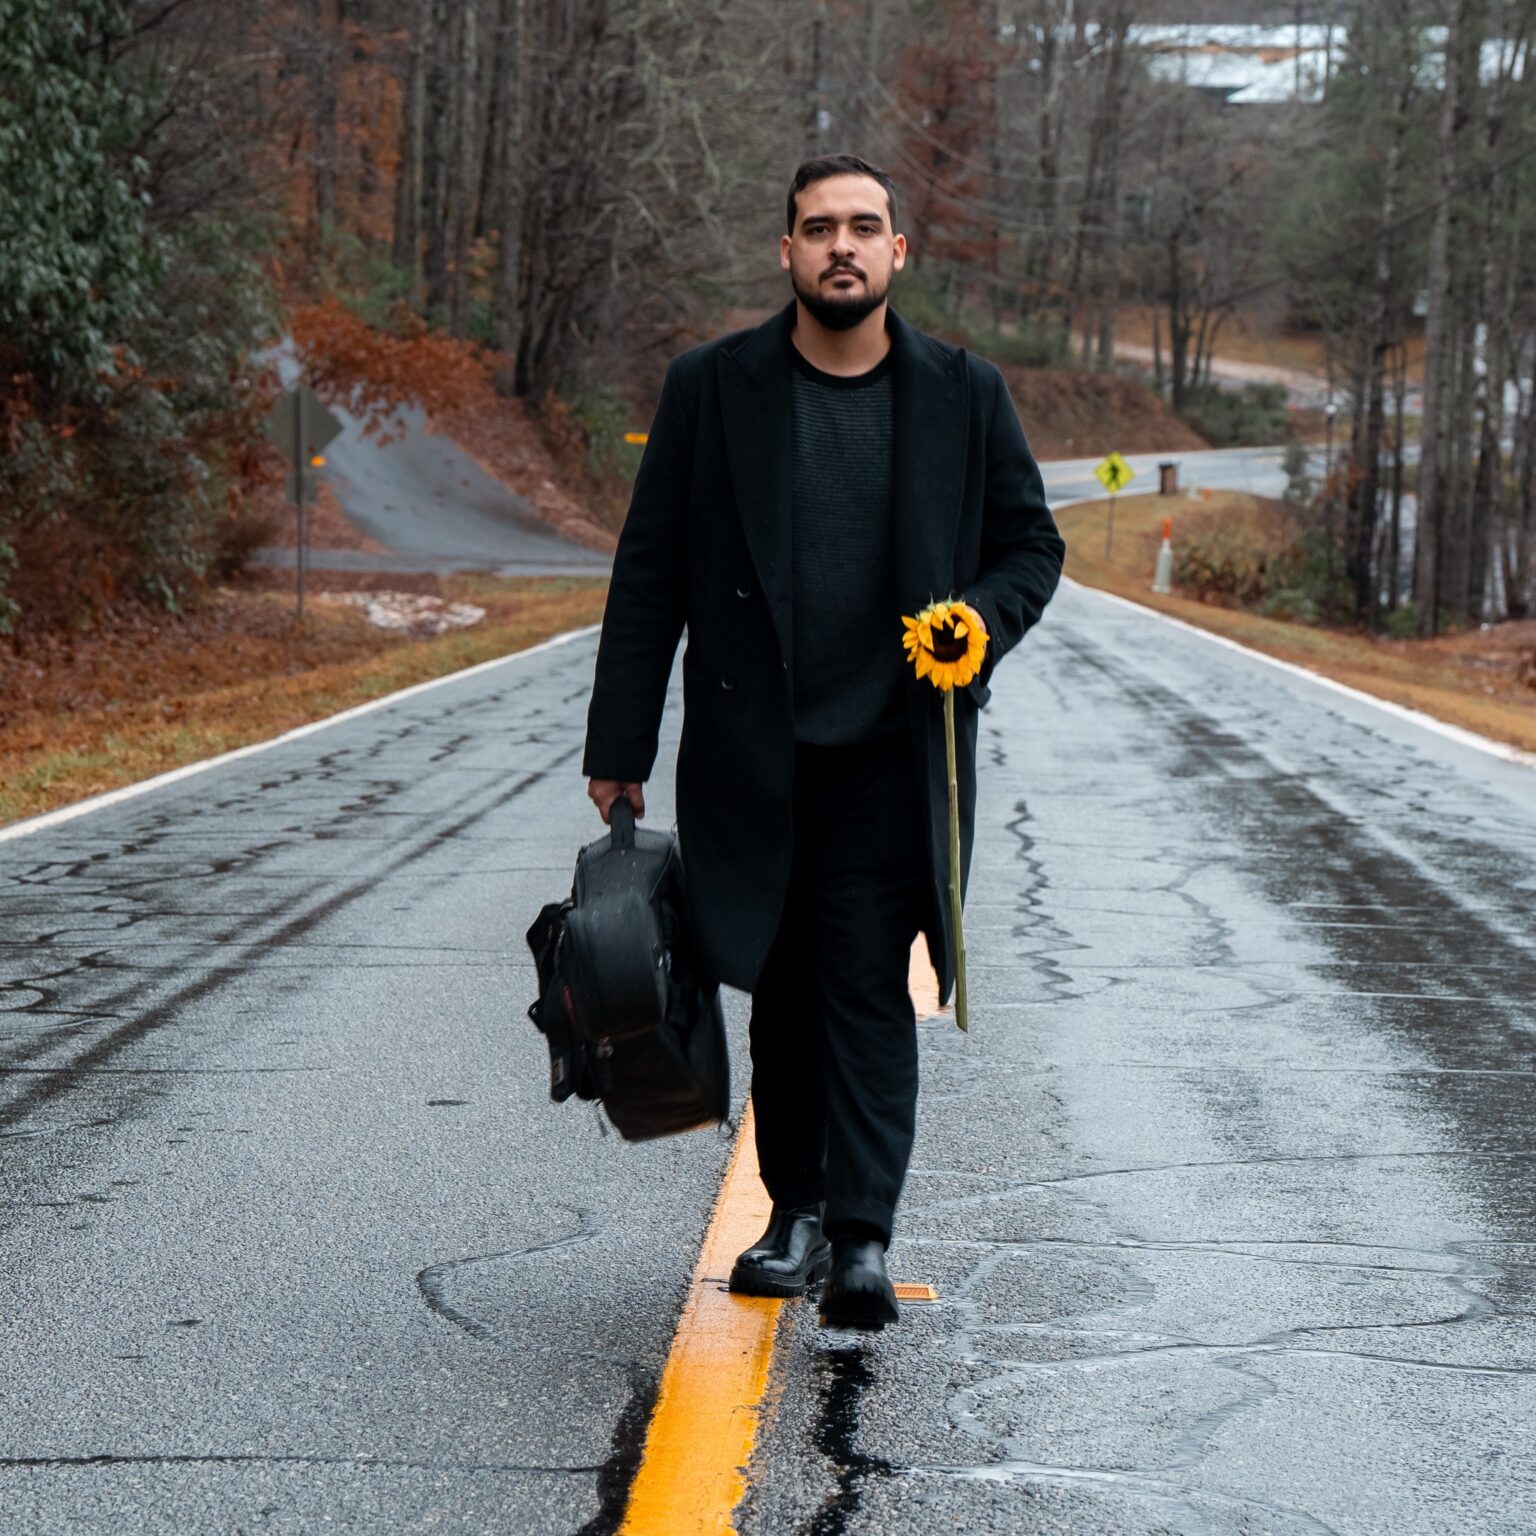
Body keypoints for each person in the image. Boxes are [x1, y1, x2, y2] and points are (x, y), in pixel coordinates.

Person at [583, 153, 1064, 1329]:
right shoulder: (711, 389)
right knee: (785, 987)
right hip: (755, 753)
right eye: (817, 229)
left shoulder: (964, 392)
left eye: (864, 227)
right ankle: (793, 1212)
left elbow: (1029, 550)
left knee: (862, 984)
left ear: (900, 252)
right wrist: (620, 741)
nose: (840, 246)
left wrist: (977, 625)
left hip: (897, 755)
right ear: (785, 252)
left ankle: (860, 1234)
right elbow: (650, 574)